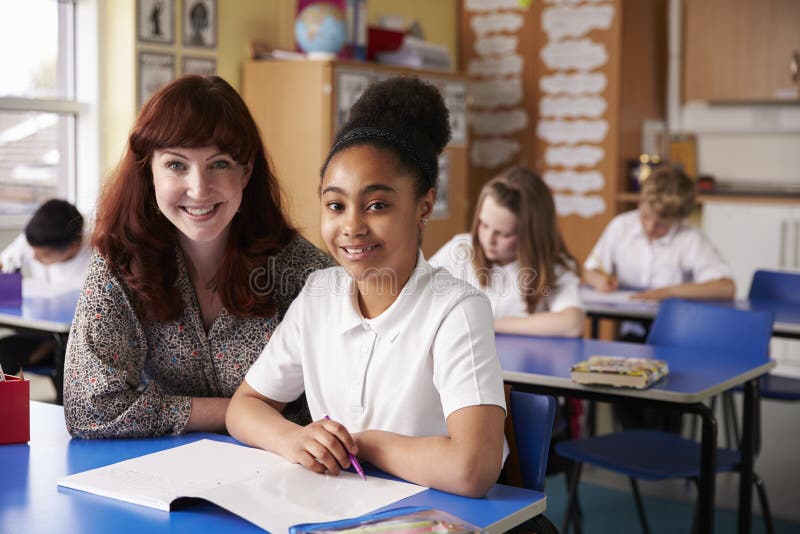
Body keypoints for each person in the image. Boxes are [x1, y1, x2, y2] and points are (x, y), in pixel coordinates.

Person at [226, 77, 507, 498]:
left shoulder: (456, 309)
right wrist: (293, 438)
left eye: (377, 205)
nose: (352, 227)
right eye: (335, 205)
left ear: (424, 206)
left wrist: (365, 443)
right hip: (336, 508)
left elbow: (472, 468)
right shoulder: (318, 293)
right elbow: (244, 408)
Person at [63, 75, 331, 439]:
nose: (199, 188)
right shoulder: (121, 262)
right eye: (176, 165)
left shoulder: (304, 272)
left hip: (286, 472)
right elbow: (88, 407)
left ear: (246, 171)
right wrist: (242, 414)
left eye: (219, 164)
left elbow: (345, 406)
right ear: (149, 171)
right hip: (161, 474)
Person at [429, 168, 585, 338]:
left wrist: (487, 323)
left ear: (531, 234)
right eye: (484, 224)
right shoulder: (461, 249)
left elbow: (572, 324)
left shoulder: (553, 267)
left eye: (504, 234)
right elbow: (415, 295)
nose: (489, 240)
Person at [584, 165, 735, 303]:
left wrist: (670, 292)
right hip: (631, 327)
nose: (650, 228)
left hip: (677, 326)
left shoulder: (690, 239)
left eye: (661, 224)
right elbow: (590, 270)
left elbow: (726, 288)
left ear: (678, 220)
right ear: (639, 203)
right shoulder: (621, 226)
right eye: (645, 216)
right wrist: (599, 280)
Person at [0, 199, 91, 374]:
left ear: (74, 247)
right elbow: (5, 263)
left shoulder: (98, 251)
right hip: (39, 325)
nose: (33, 257)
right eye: (32, 249)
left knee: (70, 361)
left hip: (80, 334)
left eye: (44, 255)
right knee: (5, 354)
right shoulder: (35, 239)